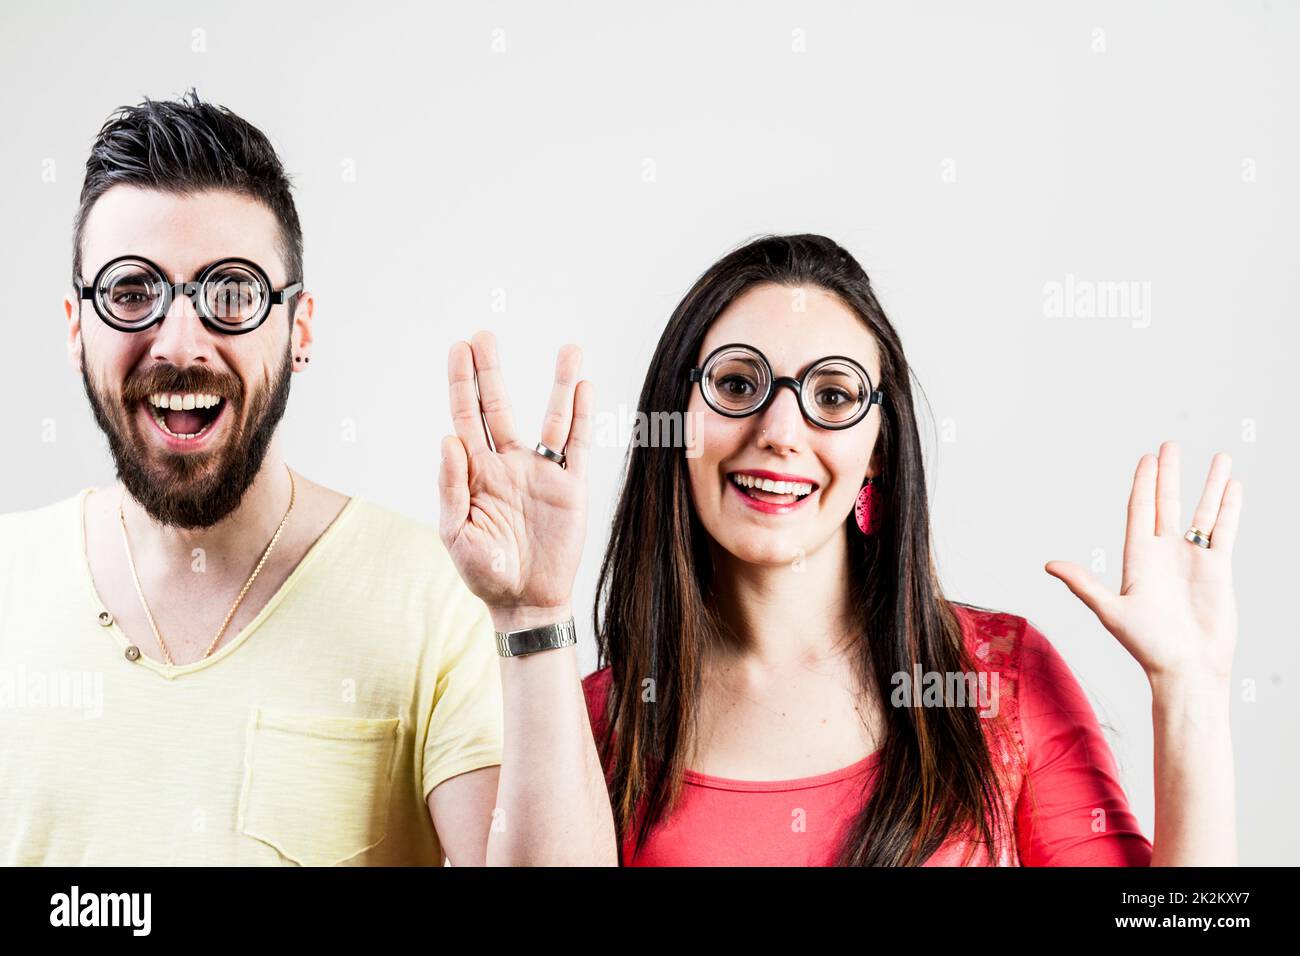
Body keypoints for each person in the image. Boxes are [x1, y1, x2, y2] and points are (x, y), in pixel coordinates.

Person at [465, 233, 1242, 865]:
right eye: (738, 386)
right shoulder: (592, 725)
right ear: (678, 422)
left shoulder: (996, 680)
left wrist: (1192, 691)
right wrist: (531, 611)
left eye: (832, 396)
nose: (779, 431)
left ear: (877, 447)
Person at [0, 90, 615, 866]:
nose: (180, 342)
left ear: (301, 329)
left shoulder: (436, 598)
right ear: (75, 328)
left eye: (232, 294)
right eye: (131, 292)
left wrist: (533, 612)